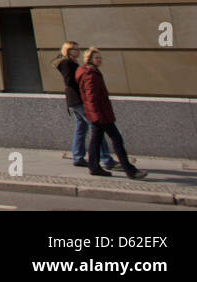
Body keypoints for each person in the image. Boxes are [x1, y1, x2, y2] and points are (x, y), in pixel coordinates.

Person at [76, 47, 147, 180]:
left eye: (100, 57)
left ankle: (94, 167)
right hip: (101, 114)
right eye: (96, 57)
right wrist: (97, 115)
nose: (99, 60)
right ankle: (130, 170)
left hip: (98, 113)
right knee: (117, 139)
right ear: (89, 59)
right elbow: (91, 97)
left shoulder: (91, 72)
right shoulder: (91, 75)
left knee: (96, 141)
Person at [53, 41, 115, 170]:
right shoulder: (67, 63)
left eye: (78, 48)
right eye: (75, 49)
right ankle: (106, 159)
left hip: (74, 100)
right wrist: (82, 81)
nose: (78, 51)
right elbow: (69, 81)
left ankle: (78, 156)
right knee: (96, 126)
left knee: (81, 128)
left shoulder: (72, 63)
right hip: (77, 100)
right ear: (68, 50)